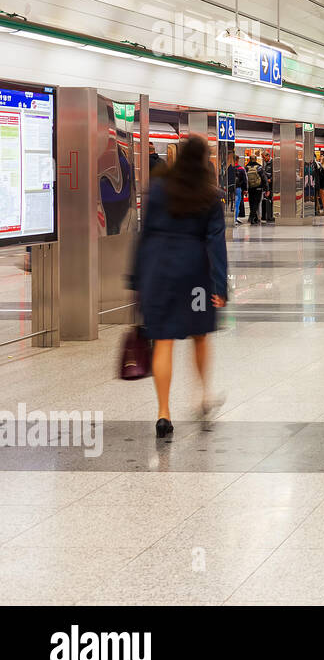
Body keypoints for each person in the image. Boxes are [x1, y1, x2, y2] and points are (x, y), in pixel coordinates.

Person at [130, 135, 228, 437]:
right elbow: (215, 243)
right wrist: (220, 286)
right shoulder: (210, 195)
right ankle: (202, 396)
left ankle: (163, 413)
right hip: (194, 274)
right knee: (199, 336)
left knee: (163, 340)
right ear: (203, 161)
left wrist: (136, 279)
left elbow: (144, 235)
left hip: (159, 271)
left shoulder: (158, 188)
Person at [226, 151, 248, 225]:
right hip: (238, 188)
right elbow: (244, 180)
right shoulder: (241, 169)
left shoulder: (229, 168)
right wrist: (245, 189)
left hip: (229, 188)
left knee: (230, 203)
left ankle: (230, 217)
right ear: (237, 160)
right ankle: (234, 219)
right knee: (237, 204)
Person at [246, 151, 264, 225]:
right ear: (256, 159)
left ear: (250, 159)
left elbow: (245, 179)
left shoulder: (246, 167)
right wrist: (266, 188)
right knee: (256, 203)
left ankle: (254, 218)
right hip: (258, 188)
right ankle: (252, 217)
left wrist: (245, 188)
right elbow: (263, 178)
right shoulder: (259, 167)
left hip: (250, 188)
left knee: (251, 203)